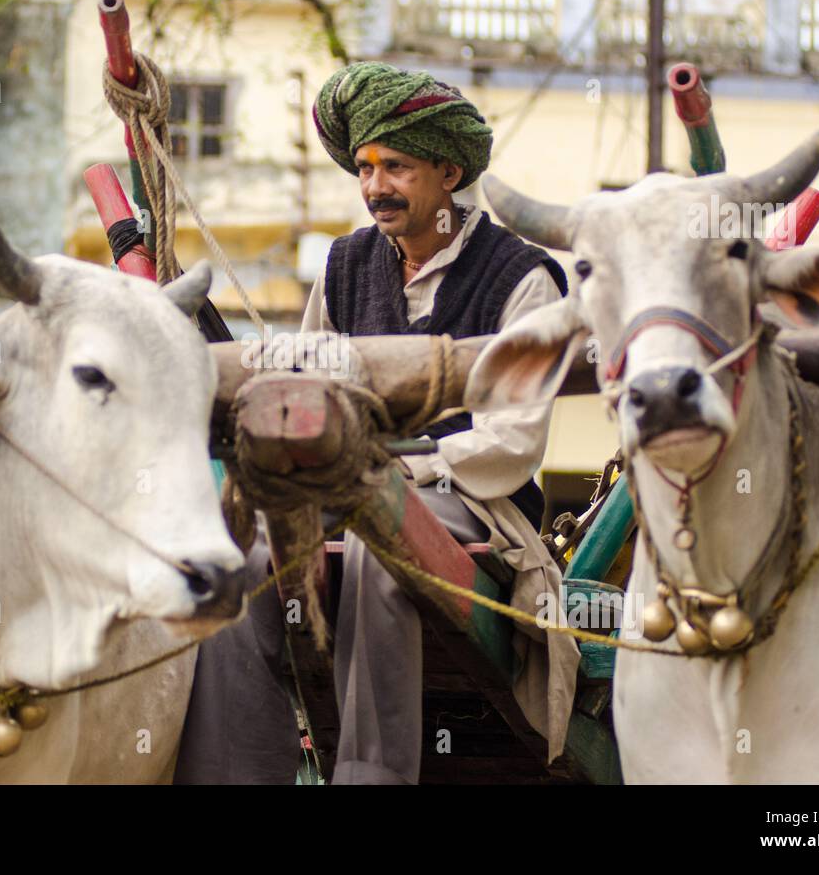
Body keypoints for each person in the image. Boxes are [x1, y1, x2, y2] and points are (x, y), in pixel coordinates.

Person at [174, 62, 580, 784]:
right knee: (240, 553)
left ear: (448, 169)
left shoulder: (525, 277)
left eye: (396, 166)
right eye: (364, 167)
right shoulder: (344, 264)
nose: (374, 187)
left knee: (380, 539)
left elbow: (512, 443)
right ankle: (235, 772)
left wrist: (398, 474)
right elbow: (305, 383)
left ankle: (371, 774)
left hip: (476, 507)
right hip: (338, 489)